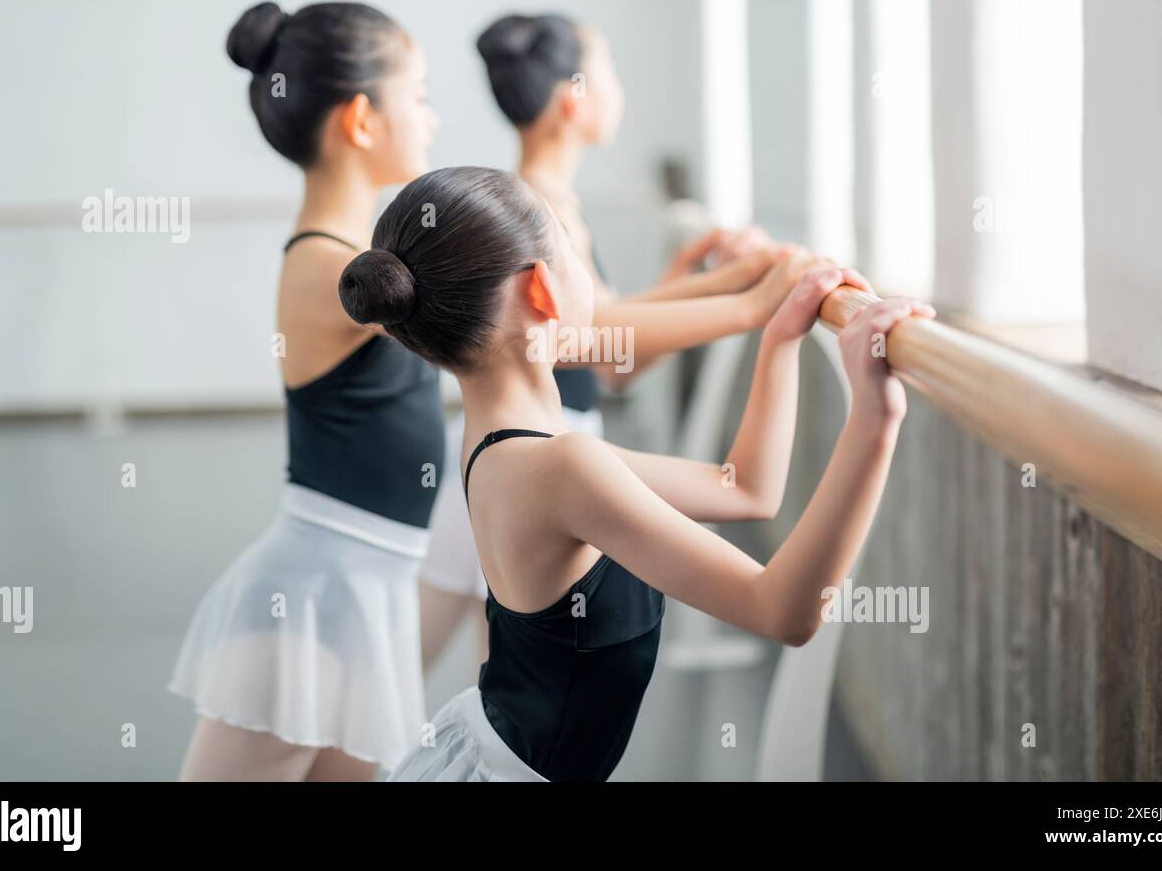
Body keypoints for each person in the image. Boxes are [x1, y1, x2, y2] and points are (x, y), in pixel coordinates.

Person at [339, 165, 935, 781]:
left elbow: (746, 488)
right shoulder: (562, 465)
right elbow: (782, 610)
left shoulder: (511, 444)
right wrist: (875, 416)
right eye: (575, 252)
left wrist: (779, 335)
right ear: (542, 289)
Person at [418, 12, 790, 670]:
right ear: (575, 96)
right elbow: (590, 339)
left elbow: (613, 351)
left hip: (534, 442)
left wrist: (713, 277)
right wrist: (747, 300)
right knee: (451, 663)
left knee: (481, 665)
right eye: (608, 71)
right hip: (527, 447)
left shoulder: (551, 199)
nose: (619, 90)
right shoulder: (538, 211)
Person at [167, 0, 442, 781]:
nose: (432, 115)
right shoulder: (333, 272)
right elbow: (488, 326)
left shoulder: (353, 256)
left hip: (368, 590)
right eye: (418, 94)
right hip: (311, 600)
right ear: (361, 119)